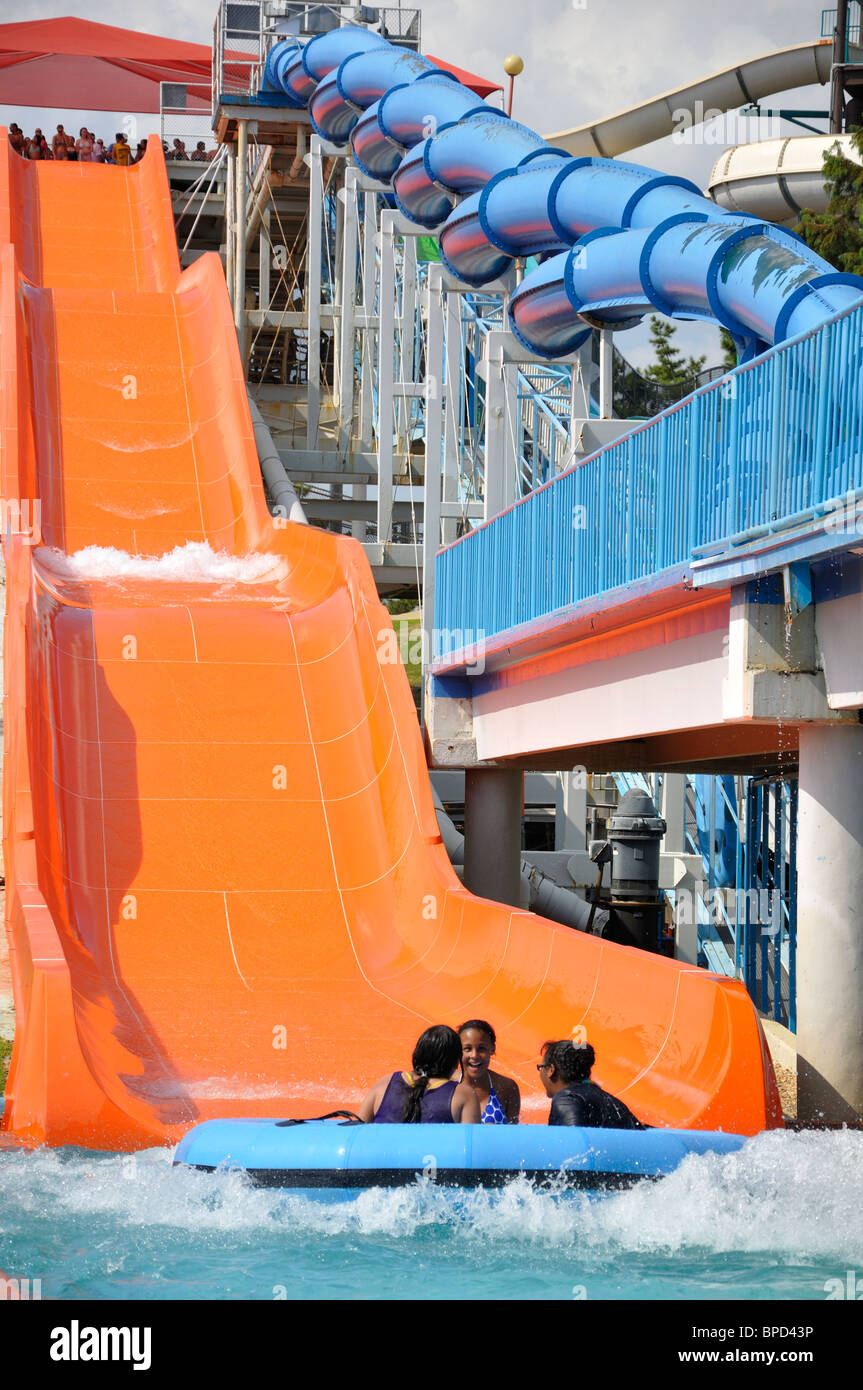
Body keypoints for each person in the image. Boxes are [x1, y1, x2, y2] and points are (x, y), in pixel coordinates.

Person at [358, 1024, 481, 1124]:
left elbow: (356, 1130)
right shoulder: (464, 1095)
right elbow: (472, 1148)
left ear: (417, 1055)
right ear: (455, 1062)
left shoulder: (386, 1082)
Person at [537, 1040, 647, 1129]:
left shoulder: (567, 1099)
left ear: (551, 1070)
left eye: (540, 1068)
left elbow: (572, 1146)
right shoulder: (612, 1101)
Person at [458, 1019, 520, 1124]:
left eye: (481, 1049)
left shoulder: (507, 1088)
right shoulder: (449, 1085)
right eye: (467, 1049)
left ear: (492, 1049)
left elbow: (513, 1135)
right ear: (458, 1051)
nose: (474, 1055)